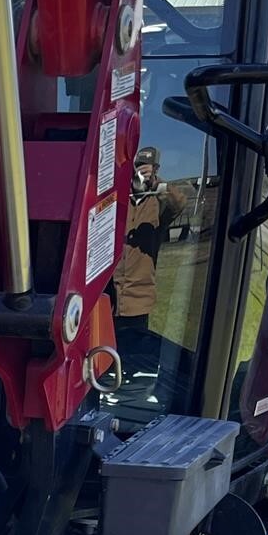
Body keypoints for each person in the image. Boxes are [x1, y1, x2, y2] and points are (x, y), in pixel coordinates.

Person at [109, 145, 189, 403]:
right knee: (109, 351)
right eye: (138, 170)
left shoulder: (157, 205)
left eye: (147, 170)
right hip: (109, 295)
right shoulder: (119, 200)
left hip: (138, 297)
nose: (141, 176)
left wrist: (157, 185)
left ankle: (130, 400)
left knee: (134, 356)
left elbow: (180, 202)